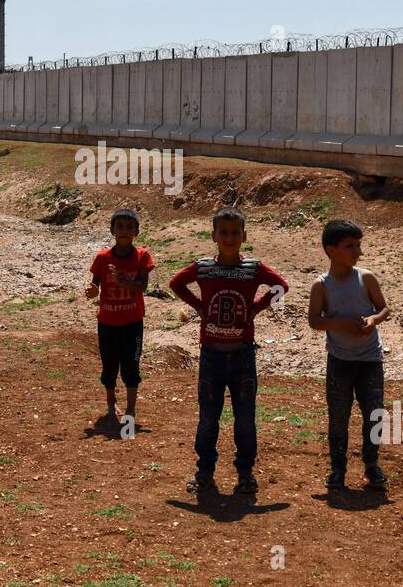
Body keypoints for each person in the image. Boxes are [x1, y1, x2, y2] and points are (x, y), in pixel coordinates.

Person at [168, 207, 288, 496]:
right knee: (208, 417)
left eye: (235, 232)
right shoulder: (203, 268)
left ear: (244, 235)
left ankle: (245, 472)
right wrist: (198, 306)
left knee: (245, 418)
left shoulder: (254, 269)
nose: (230, 237)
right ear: (214, 236)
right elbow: (175, 283)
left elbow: (281, 286)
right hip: (211, 356)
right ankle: (204, 470)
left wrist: (255, 309)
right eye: (224, 232)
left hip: (243, 356)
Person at [306, 219, 391, 491]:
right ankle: (338, 469)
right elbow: (313, 321)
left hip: (370, 360)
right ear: (331, 250)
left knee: (374, 414)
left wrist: (373, 321)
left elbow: (384, 309)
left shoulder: (365, 278)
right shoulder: (321, 286)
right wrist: (342, 323)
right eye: (350, 246)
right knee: (338, 417)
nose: (357, 252)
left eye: (358, 245)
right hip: (339, 361)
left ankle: (371, 464)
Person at [86, 209, 155, 422]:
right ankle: (110, 403)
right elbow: (95, 282)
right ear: (112, 230)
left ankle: (131, 408)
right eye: (120, 226)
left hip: (133, 323)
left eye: (129, 227)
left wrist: (123, 282)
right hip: (107, 322)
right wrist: (93, 290)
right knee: (109, 364)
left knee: (131, 364)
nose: (124, 231)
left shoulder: (142, 256)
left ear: (136, 231)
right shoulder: (102, 257)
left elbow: (142, 286)